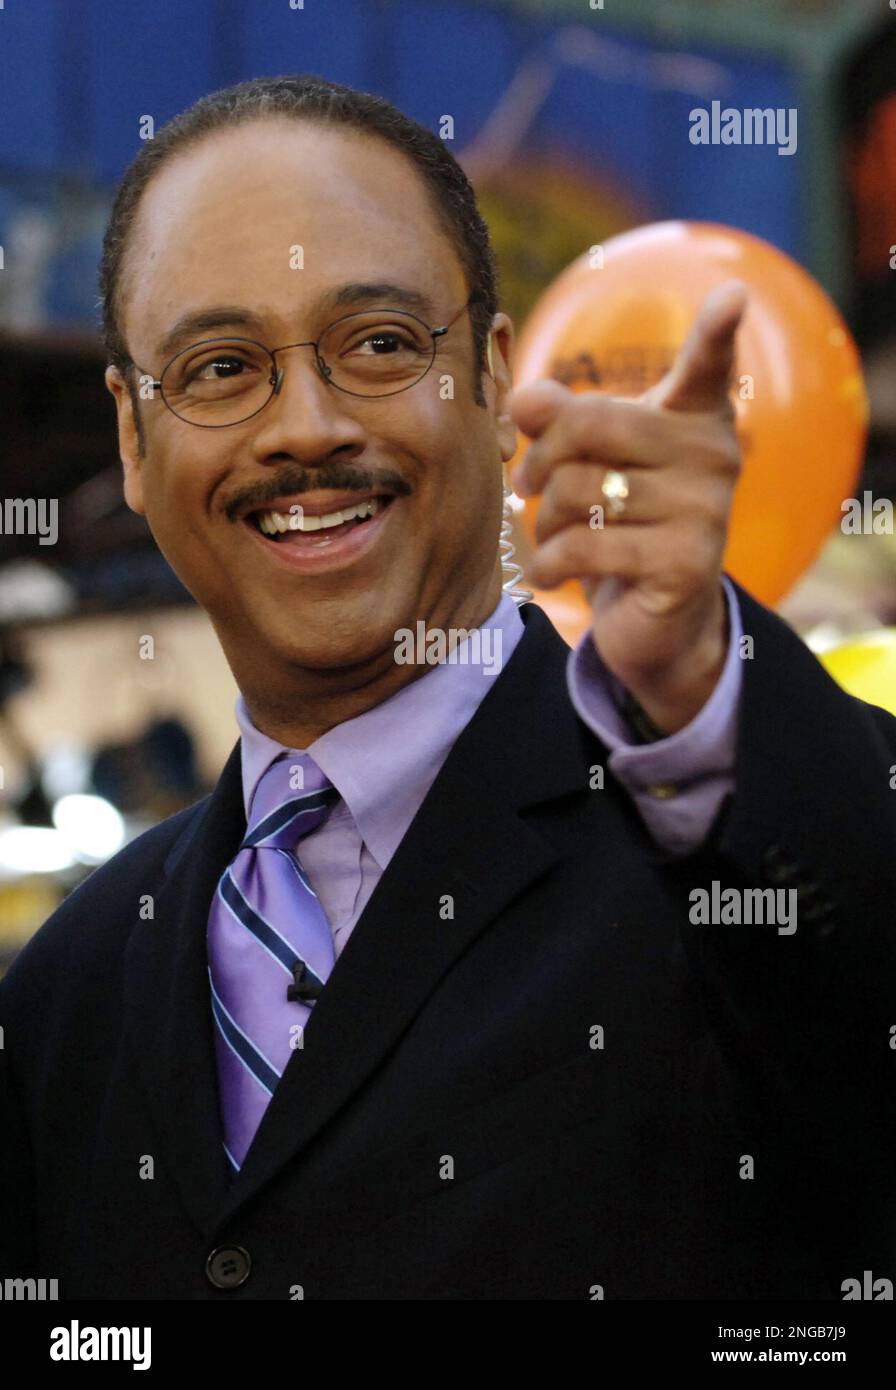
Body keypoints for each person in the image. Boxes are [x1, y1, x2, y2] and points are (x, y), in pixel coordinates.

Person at [1, 75, 893, 1301]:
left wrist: (704, 685)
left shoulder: (727, 834)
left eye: (377, 344)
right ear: (131, 440)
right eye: (218, 366)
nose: (302, 426)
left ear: (491, 375)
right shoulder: (65, 996)